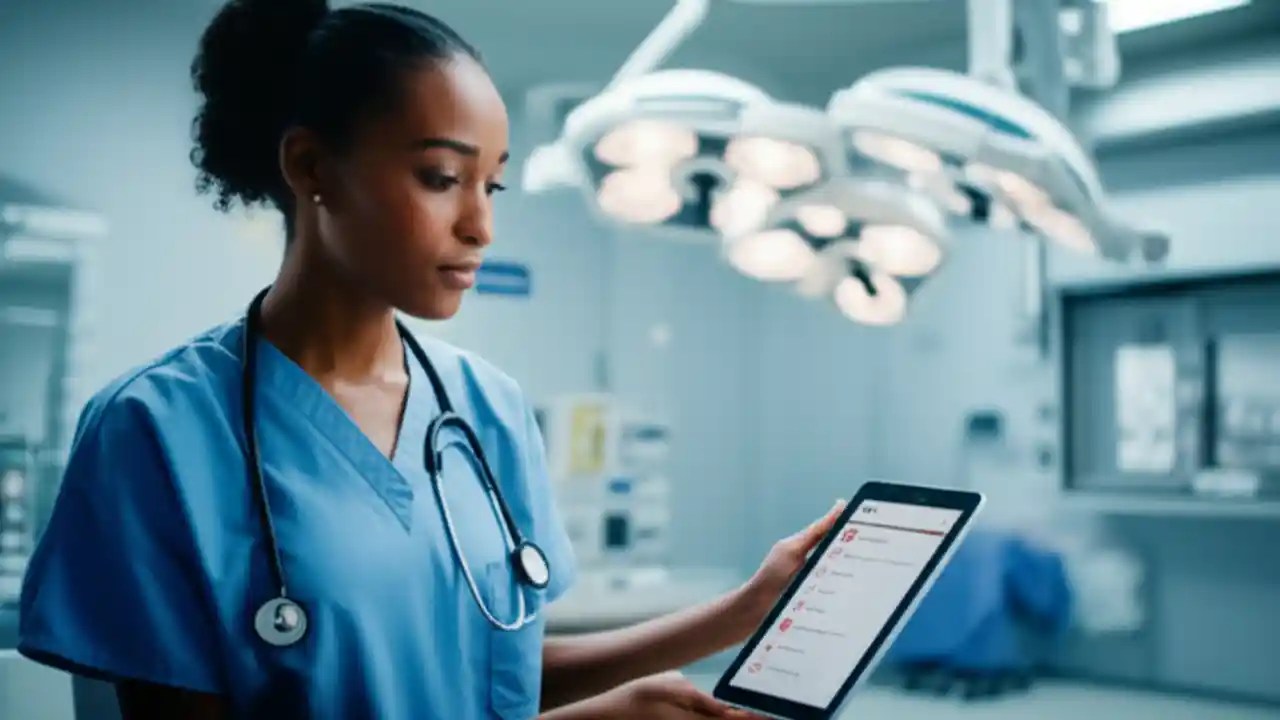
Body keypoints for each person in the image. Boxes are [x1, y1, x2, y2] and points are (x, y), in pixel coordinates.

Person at [17, 1, 843, 718]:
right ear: (310, 167)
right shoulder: (155, 432)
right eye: (443, 176)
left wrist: (742, 611)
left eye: (495, 186)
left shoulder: (487, 409)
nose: (481, 225)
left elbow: (491, 681)